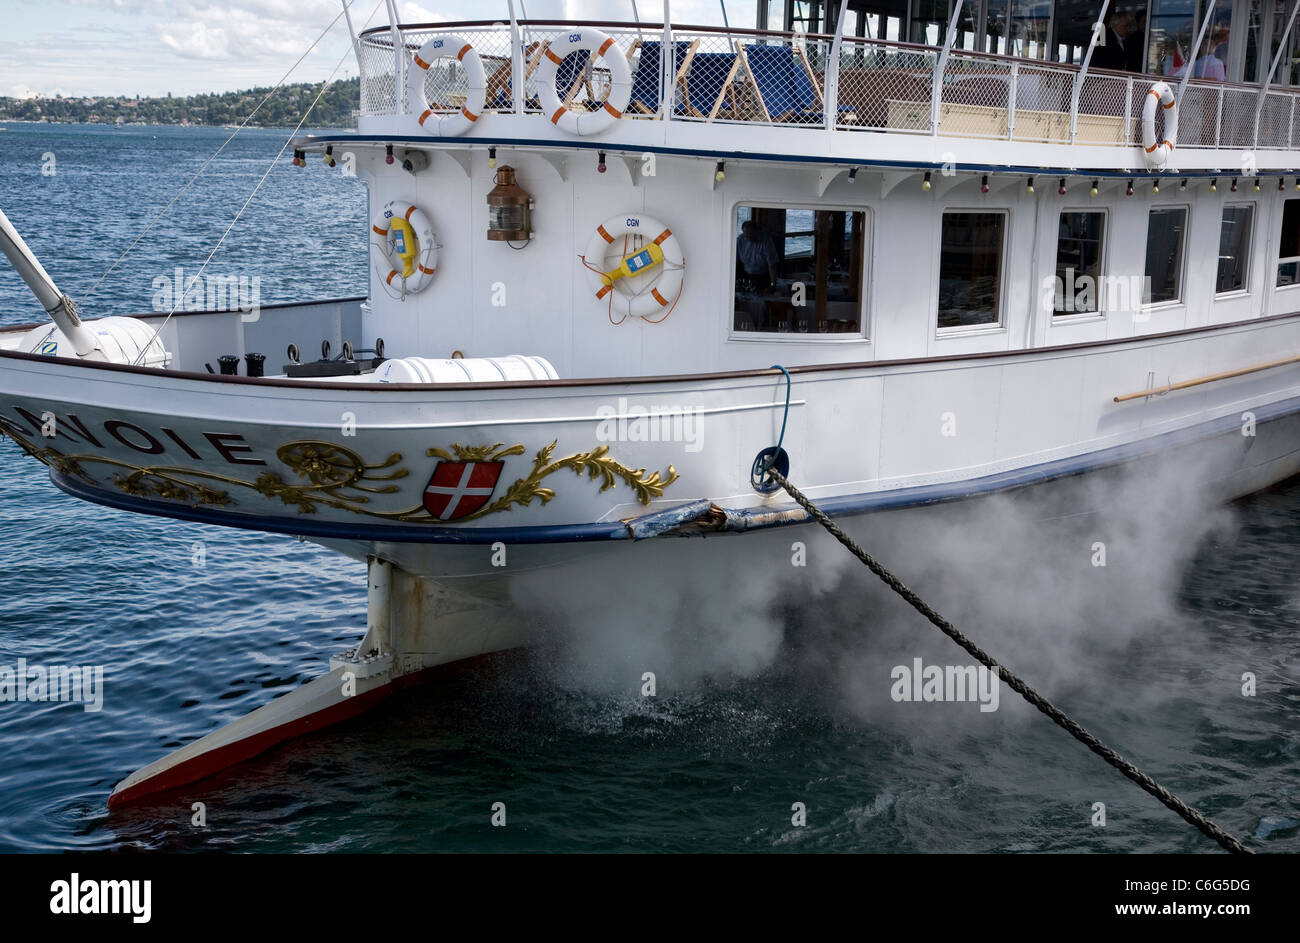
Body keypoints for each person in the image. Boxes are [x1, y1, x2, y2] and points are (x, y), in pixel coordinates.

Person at [736, 220, 780, 292]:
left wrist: (773, 286)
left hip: (763, 277)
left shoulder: (766, 240)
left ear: (756, 231)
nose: (748, 237)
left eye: (750, 234)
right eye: (745, 234)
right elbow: (735, 262)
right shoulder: (740, 240)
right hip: (746, 276)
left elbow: (772, 264)